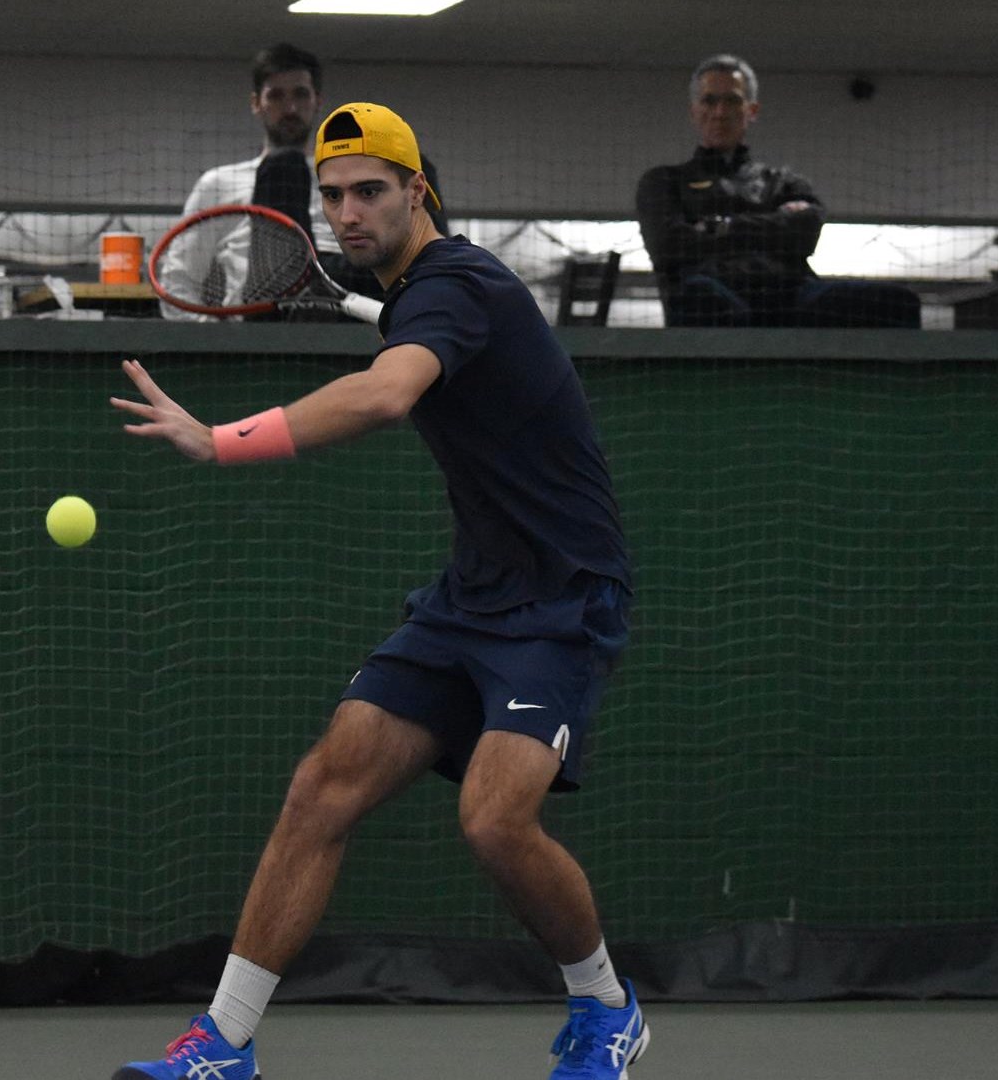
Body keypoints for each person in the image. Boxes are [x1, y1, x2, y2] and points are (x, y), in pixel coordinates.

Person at [111, 103, 646, 1080]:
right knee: (323, 788)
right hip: (470, 595)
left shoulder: (456, 284)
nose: (347, 212)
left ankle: (607, 1006)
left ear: (418, 193)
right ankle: (223, 1043)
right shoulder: (423, 299)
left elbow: (384, 393)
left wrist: (221, 441)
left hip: (563, 596)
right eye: (332, 196)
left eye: (370, 192)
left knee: (494, 820)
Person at [156, 43, 445, 321]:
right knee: (284, 166)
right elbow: (178, 280)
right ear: (256, 103)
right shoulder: (219, 183)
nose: (291, 108)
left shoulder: (353, 174)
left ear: (317, 100)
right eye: (276, 96)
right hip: (262, 323)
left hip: (358, 313)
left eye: (300, 95)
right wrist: (215, 339)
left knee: (407, 167)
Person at [636, 54, 920, 328]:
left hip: (791, 295)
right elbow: (669, 246)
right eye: (710, 101)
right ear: (694, 112)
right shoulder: (663, 182)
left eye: (732, 100)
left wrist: (717, 227)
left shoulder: (784, 182)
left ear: (751, 111)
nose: (720, 113)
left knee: (896, 303)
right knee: (699, 295)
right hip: (714, 294)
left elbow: (805, 231)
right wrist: (772, 227)